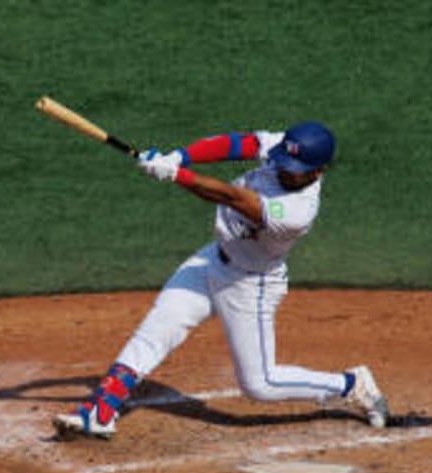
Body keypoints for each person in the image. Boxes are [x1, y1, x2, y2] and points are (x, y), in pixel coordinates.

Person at [53, 121, 389, 441]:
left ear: (317, 171)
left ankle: (350, 385)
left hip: (250, 283)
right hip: (213, 258)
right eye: (284, 162)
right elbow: (236, 144)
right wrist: (180, 156)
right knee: (159, 324)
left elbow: (233, 198)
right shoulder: (284, 149)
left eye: (294, 169)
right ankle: (101, 409)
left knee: (260, 384)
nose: (284, 170)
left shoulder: (299, 210)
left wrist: (177, 176)